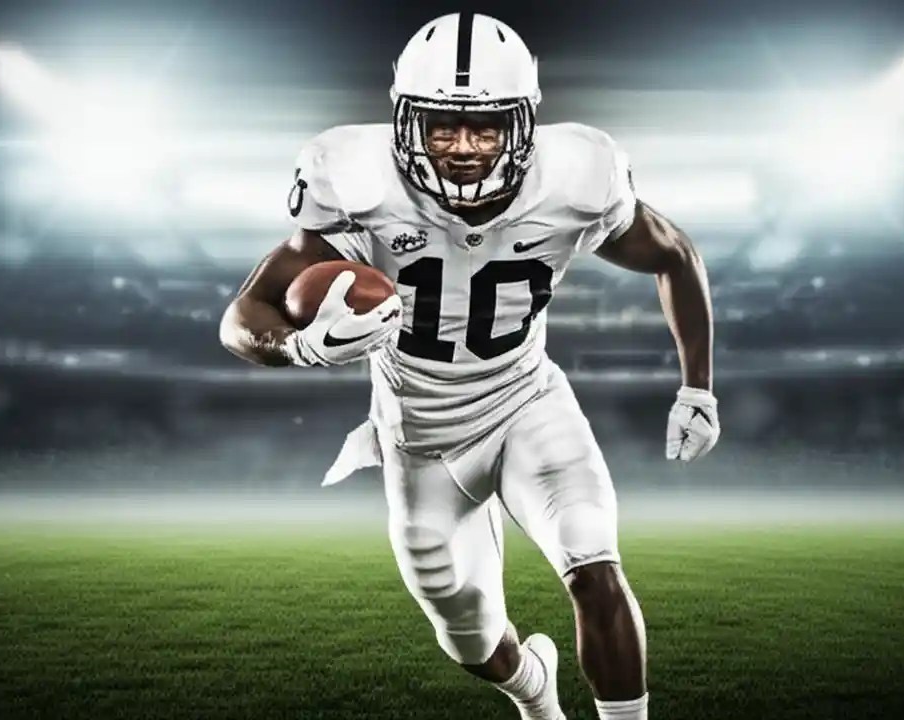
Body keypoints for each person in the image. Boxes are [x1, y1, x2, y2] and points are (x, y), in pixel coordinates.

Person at [219, 12, 719, 720]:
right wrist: (295, 346)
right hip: (418, 437)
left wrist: (699, 389)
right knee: (470, 637)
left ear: (521, 125)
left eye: (484, 127)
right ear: (404, 124)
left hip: (526, 403)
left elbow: (674, 254)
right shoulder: (354, 181)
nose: (462, 147)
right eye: (440, 126)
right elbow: (243, 316)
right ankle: (534, 694)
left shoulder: (577, 176)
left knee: (593, 561)